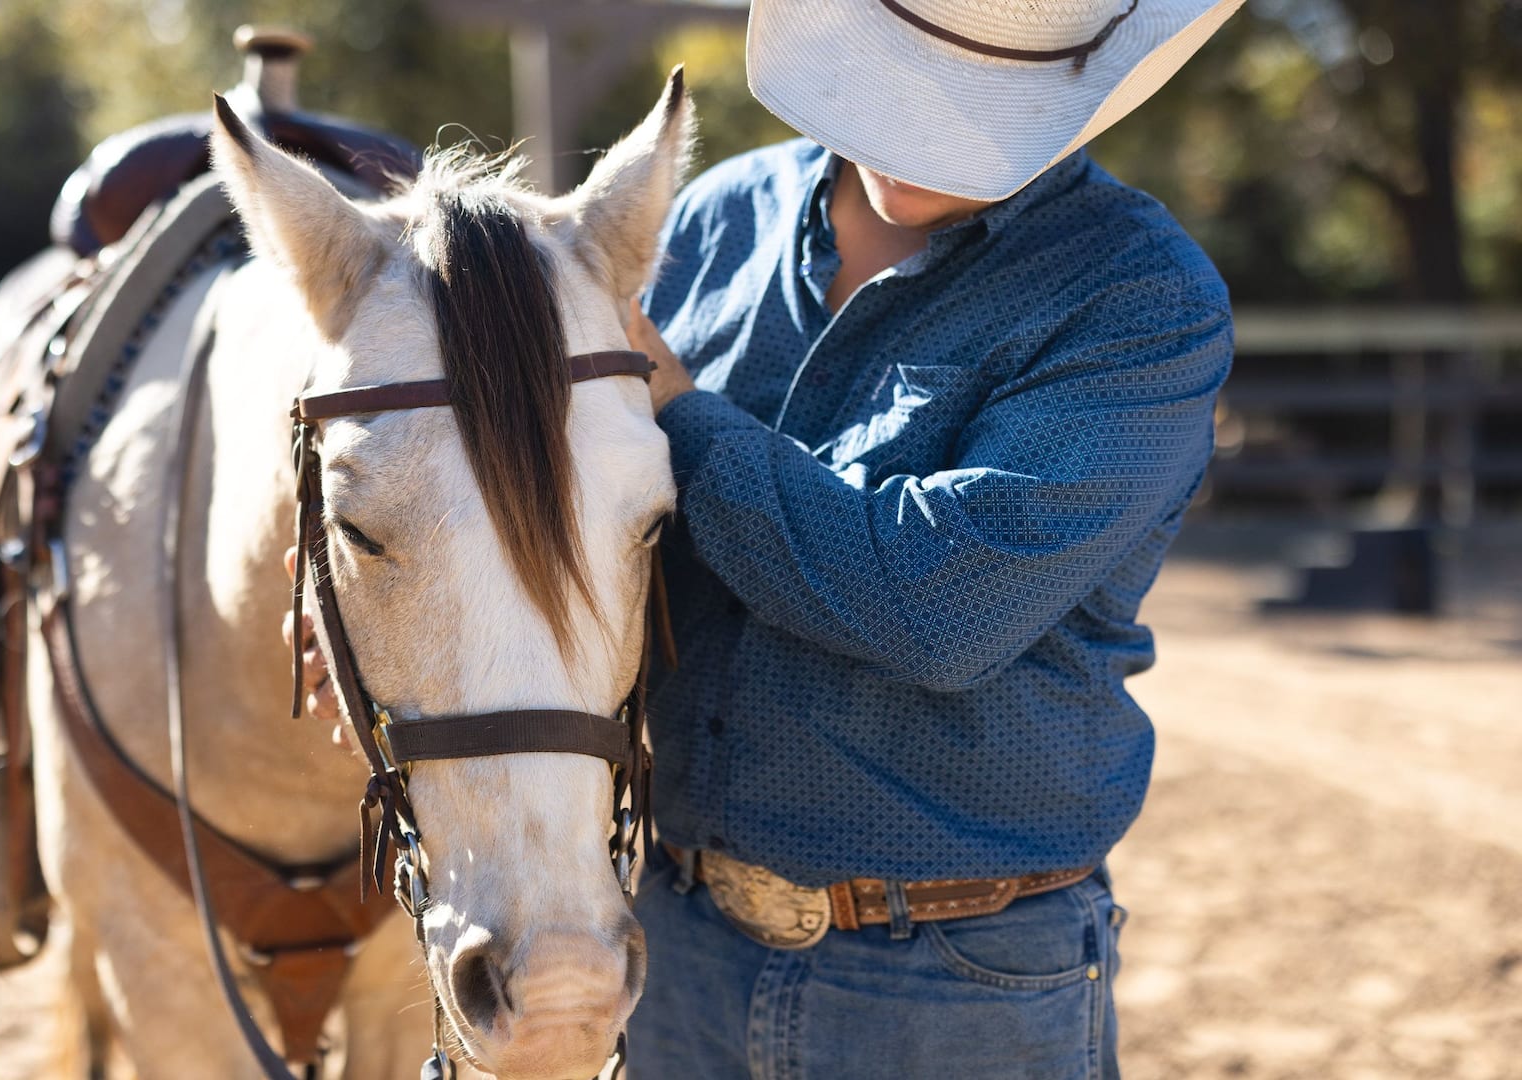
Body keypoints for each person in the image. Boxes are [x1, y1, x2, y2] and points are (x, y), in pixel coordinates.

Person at [293, 0, 1244, 1073]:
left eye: (977, 112)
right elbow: (586, 534)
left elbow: (937, 607)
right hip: (678, 942)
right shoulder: (715, 221)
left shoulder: (1138, 299)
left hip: (958, 982)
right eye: (902, 88)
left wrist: (680, 415)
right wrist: (398, 627)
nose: (915, 141)